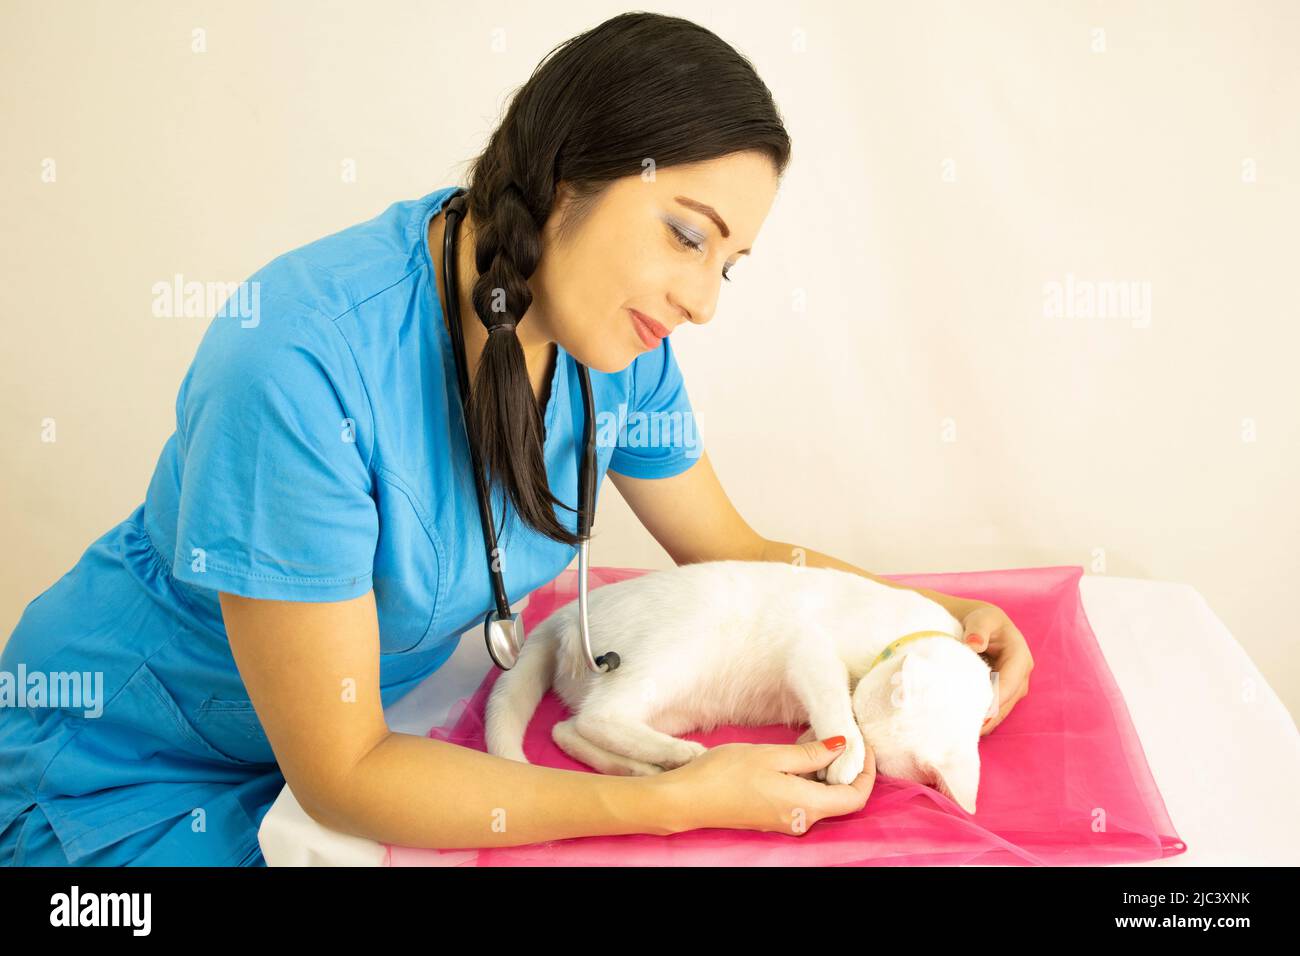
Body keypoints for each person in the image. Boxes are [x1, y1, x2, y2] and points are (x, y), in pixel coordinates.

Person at [0, 12, 1031, 866]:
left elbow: (733, 550)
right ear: (566, 174)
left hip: (325, 763)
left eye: (731, 263)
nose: (705, 302)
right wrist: (678, 799)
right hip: (117, 768)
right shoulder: (298, 363)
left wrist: (938, 620)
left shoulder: (615, 349)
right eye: (685, 232)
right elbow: (345, 771)